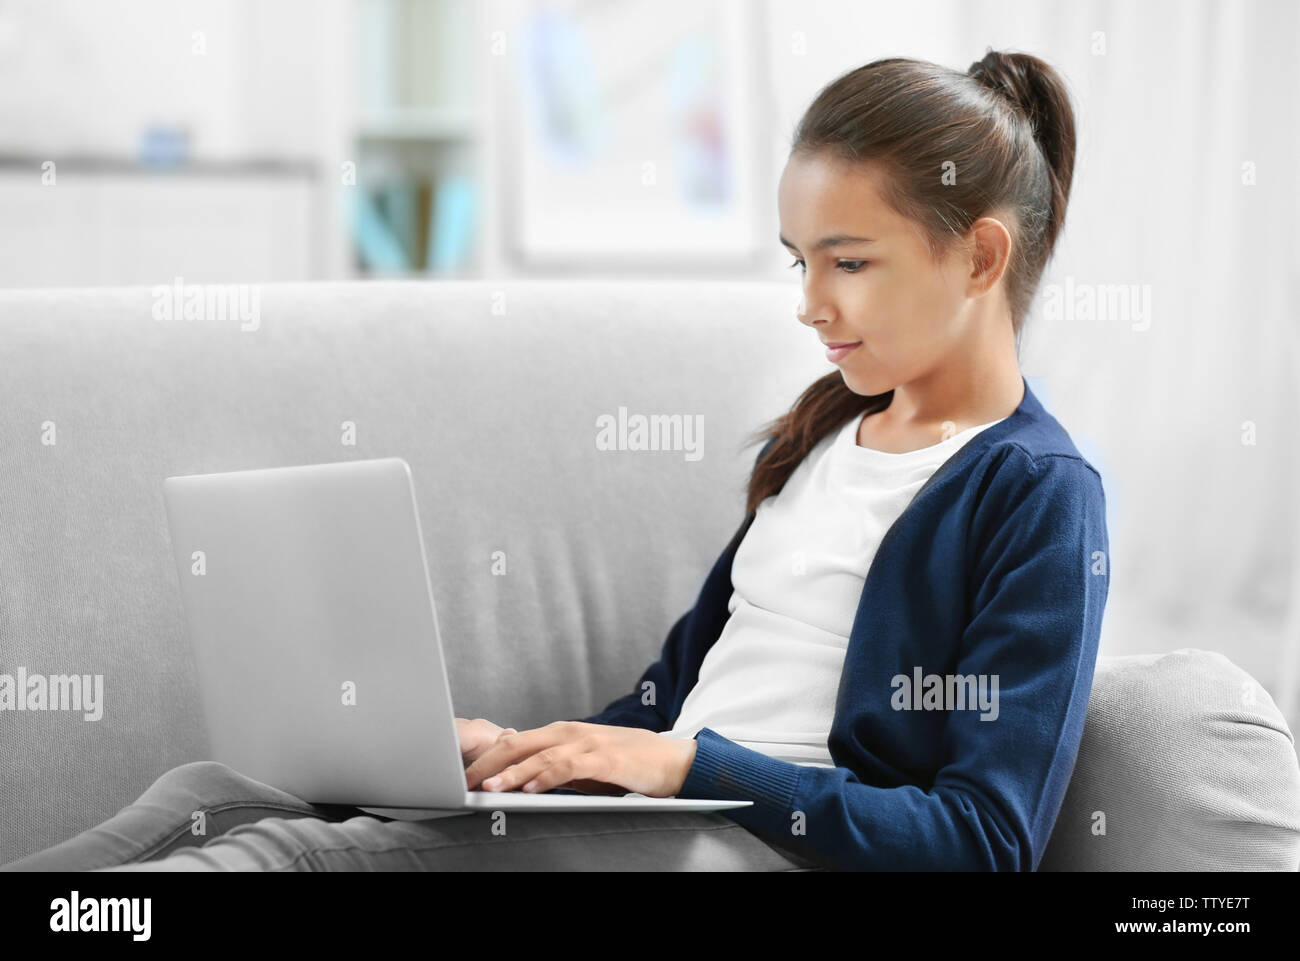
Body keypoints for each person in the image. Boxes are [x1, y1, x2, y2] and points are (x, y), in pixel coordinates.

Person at [3, 48, 1108, 872]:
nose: (810, 303)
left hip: (752, 847)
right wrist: (523, 750)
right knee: (218, 793)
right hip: (659, 819)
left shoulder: (1037, 496)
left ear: (978, 257)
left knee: (294, 861)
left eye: (849, 262)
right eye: (798, 261)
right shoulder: (825, 430)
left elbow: (980, 840)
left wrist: (689, 769)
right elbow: (666, 707)